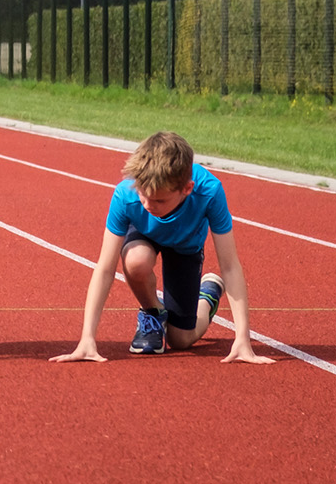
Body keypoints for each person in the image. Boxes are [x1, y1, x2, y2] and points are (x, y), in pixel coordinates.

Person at [51, 131, 272, 364]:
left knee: (181, 341)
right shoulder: (126, 195)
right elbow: (105, 268)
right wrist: (87, 338)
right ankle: (153, 312)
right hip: (144, 235)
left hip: (185, 245)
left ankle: (207, 295)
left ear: (187, 189)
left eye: (159, 201)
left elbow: (230, 266)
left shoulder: (209, 192)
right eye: (143, 196)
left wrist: (242, 339)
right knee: (136, 261)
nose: (148, 205)